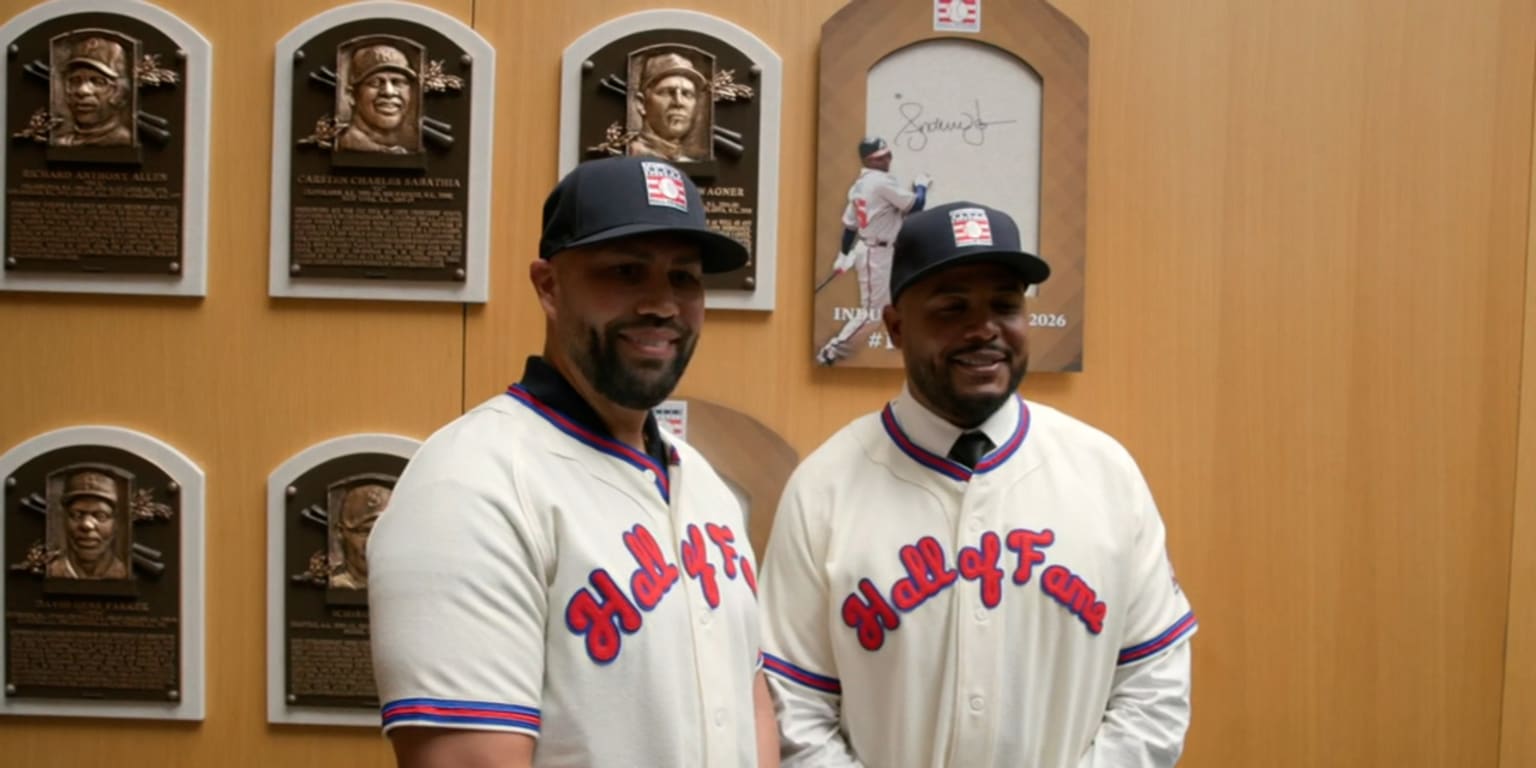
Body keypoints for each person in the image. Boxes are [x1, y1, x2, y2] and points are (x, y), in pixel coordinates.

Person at [368, 156, 778, 768]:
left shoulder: (707, 488)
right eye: (625, 272)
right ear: (549, 286)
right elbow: (466, 759)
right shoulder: (468, 485)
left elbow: (751, 708)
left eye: (684, 279)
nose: (662, 305)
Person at [762, 202, 1197, 768]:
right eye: (952, 307)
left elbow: (1153, 688)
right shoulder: (822, 489)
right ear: (895, 327)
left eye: (1005, 305)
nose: (985, 329)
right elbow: (792, 708)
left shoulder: (1105, 474)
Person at [815, 137, 931, 366]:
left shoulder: (860, 185)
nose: (887, 159)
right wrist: (921, 185)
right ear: (869, 160)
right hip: (875, 252)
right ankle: (832, 351)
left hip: (878, 250)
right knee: (872, 313)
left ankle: (901, 345)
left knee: (897, 302)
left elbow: (850, 227)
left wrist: (843, 254)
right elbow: (916, 205)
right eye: (880, 157)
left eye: (887, 154)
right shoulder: (879, 182)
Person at [47, 469, 129, 580]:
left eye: (101, 516)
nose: (87, 525)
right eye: (76, 515)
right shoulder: (52, 570)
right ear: (64, 520)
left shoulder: (125, 572)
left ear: (116, 524)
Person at [337, 44, 418, 154]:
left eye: (397, 82)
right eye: (375, 82)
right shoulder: (348, 142)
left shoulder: (411, 140)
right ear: (351, 95)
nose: (389, 92)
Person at [53, 37, 132, 147]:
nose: (82, 91)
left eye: (98, 82)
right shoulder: (61, 143)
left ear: (120, 91)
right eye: (75, 81)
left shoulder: (123, 141)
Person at [628, 52, 706, 162]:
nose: (679, 102)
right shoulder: (632, 153)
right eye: (666, 92)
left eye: (687, 94)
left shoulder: (686, 161)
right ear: (641, 103)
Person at [329, 483, 389, 590]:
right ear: (340, 533)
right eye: (365, 531)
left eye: (384, 532)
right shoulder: (335, 585)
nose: (372, 543)